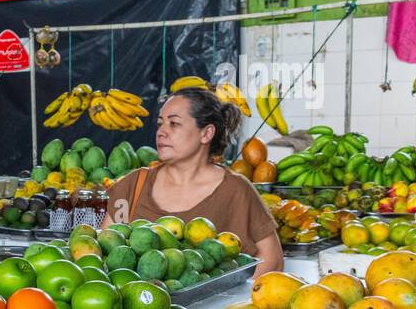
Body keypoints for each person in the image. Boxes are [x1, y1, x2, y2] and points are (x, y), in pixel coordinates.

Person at [102, 87, 283, 276]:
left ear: (206, 133)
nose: (161, 132)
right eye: (160, 123)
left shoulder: (236, 190)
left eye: (174, 124)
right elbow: (104, 249)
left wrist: (227, 295)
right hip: (140, 304)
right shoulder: (133, 185)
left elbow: (273, 260)